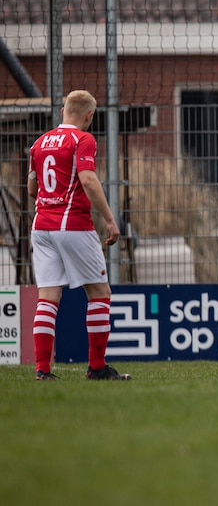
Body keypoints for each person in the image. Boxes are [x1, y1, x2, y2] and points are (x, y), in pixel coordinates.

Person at [26, 89, 131, 381]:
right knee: (99, 293)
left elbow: (32, 189)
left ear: (63, 111)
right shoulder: (83, 140)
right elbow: (88, 180)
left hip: (41, 226)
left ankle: (42, 370)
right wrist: (110, 220)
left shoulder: (38, 143)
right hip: (72, 224)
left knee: (48, 297)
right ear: (89, 116)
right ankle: (96, 366)